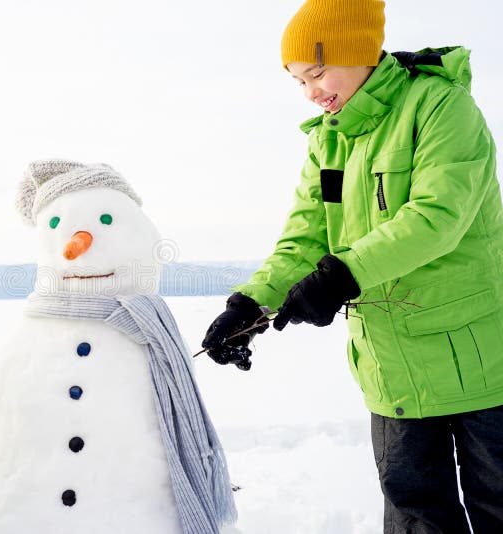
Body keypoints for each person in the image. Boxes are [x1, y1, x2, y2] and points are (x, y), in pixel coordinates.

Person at [202, 1, 503, 532]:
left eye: (317, 73)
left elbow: (438, 216)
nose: (311, 92)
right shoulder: (328, 139)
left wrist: (341, 275)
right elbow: (304, 237)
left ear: (358, 52)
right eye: (298, 81)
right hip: (391, 372)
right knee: (415, 517)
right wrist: (250, 302)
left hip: (483, 365)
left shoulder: (441, 107)